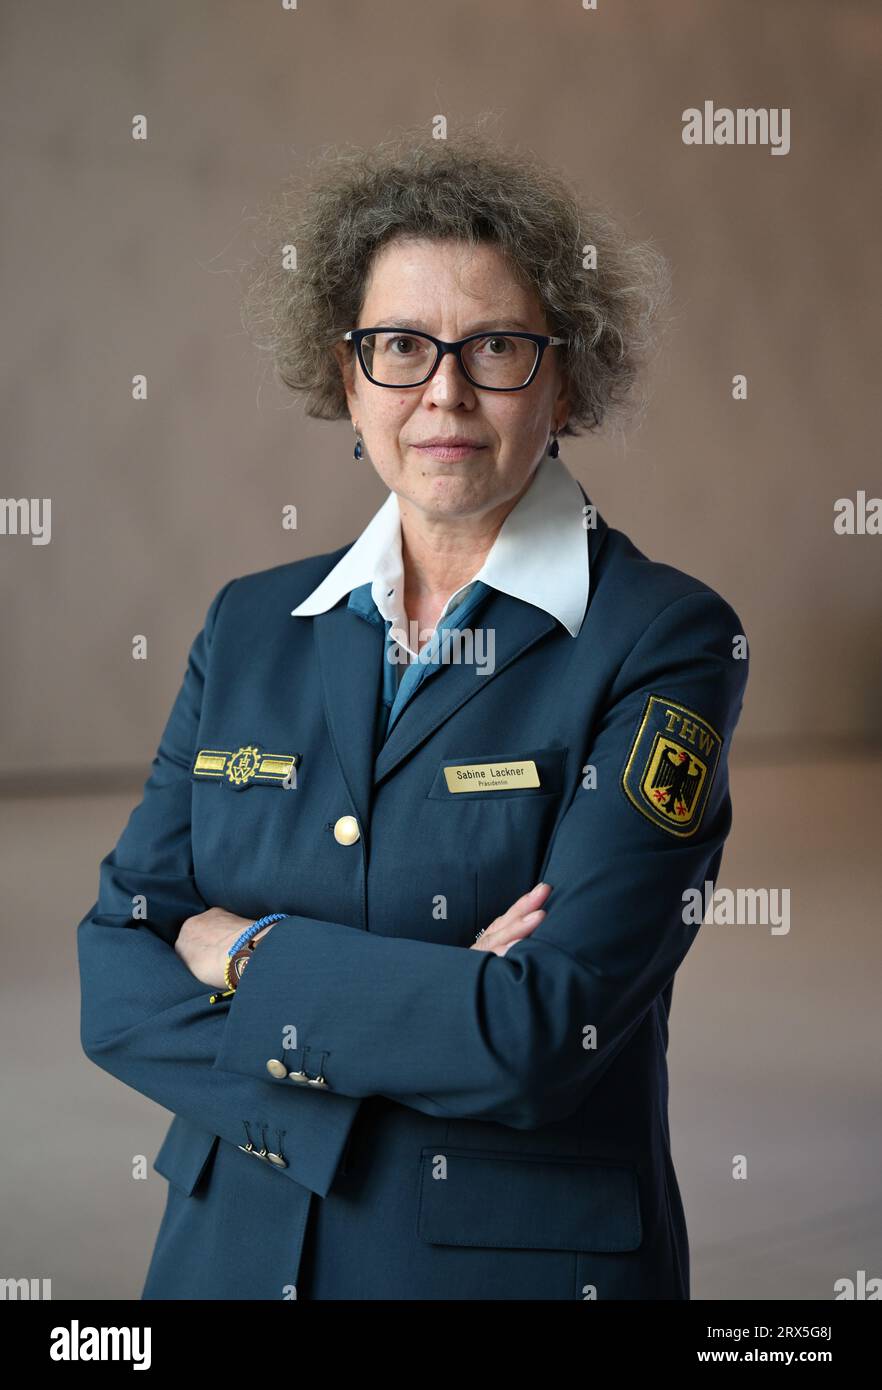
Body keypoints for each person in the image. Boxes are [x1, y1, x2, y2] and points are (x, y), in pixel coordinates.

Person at [77, 127, 749, 1301]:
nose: (442, 390)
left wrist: (245, 953)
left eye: (493, 347)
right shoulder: (248, 622)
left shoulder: (664, 638)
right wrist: (436, 1000)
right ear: (347, 376)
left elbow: (545, 1034)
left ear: (567, 377)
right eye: (398, 346)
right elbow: (117, 966)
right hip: (228, 1257)